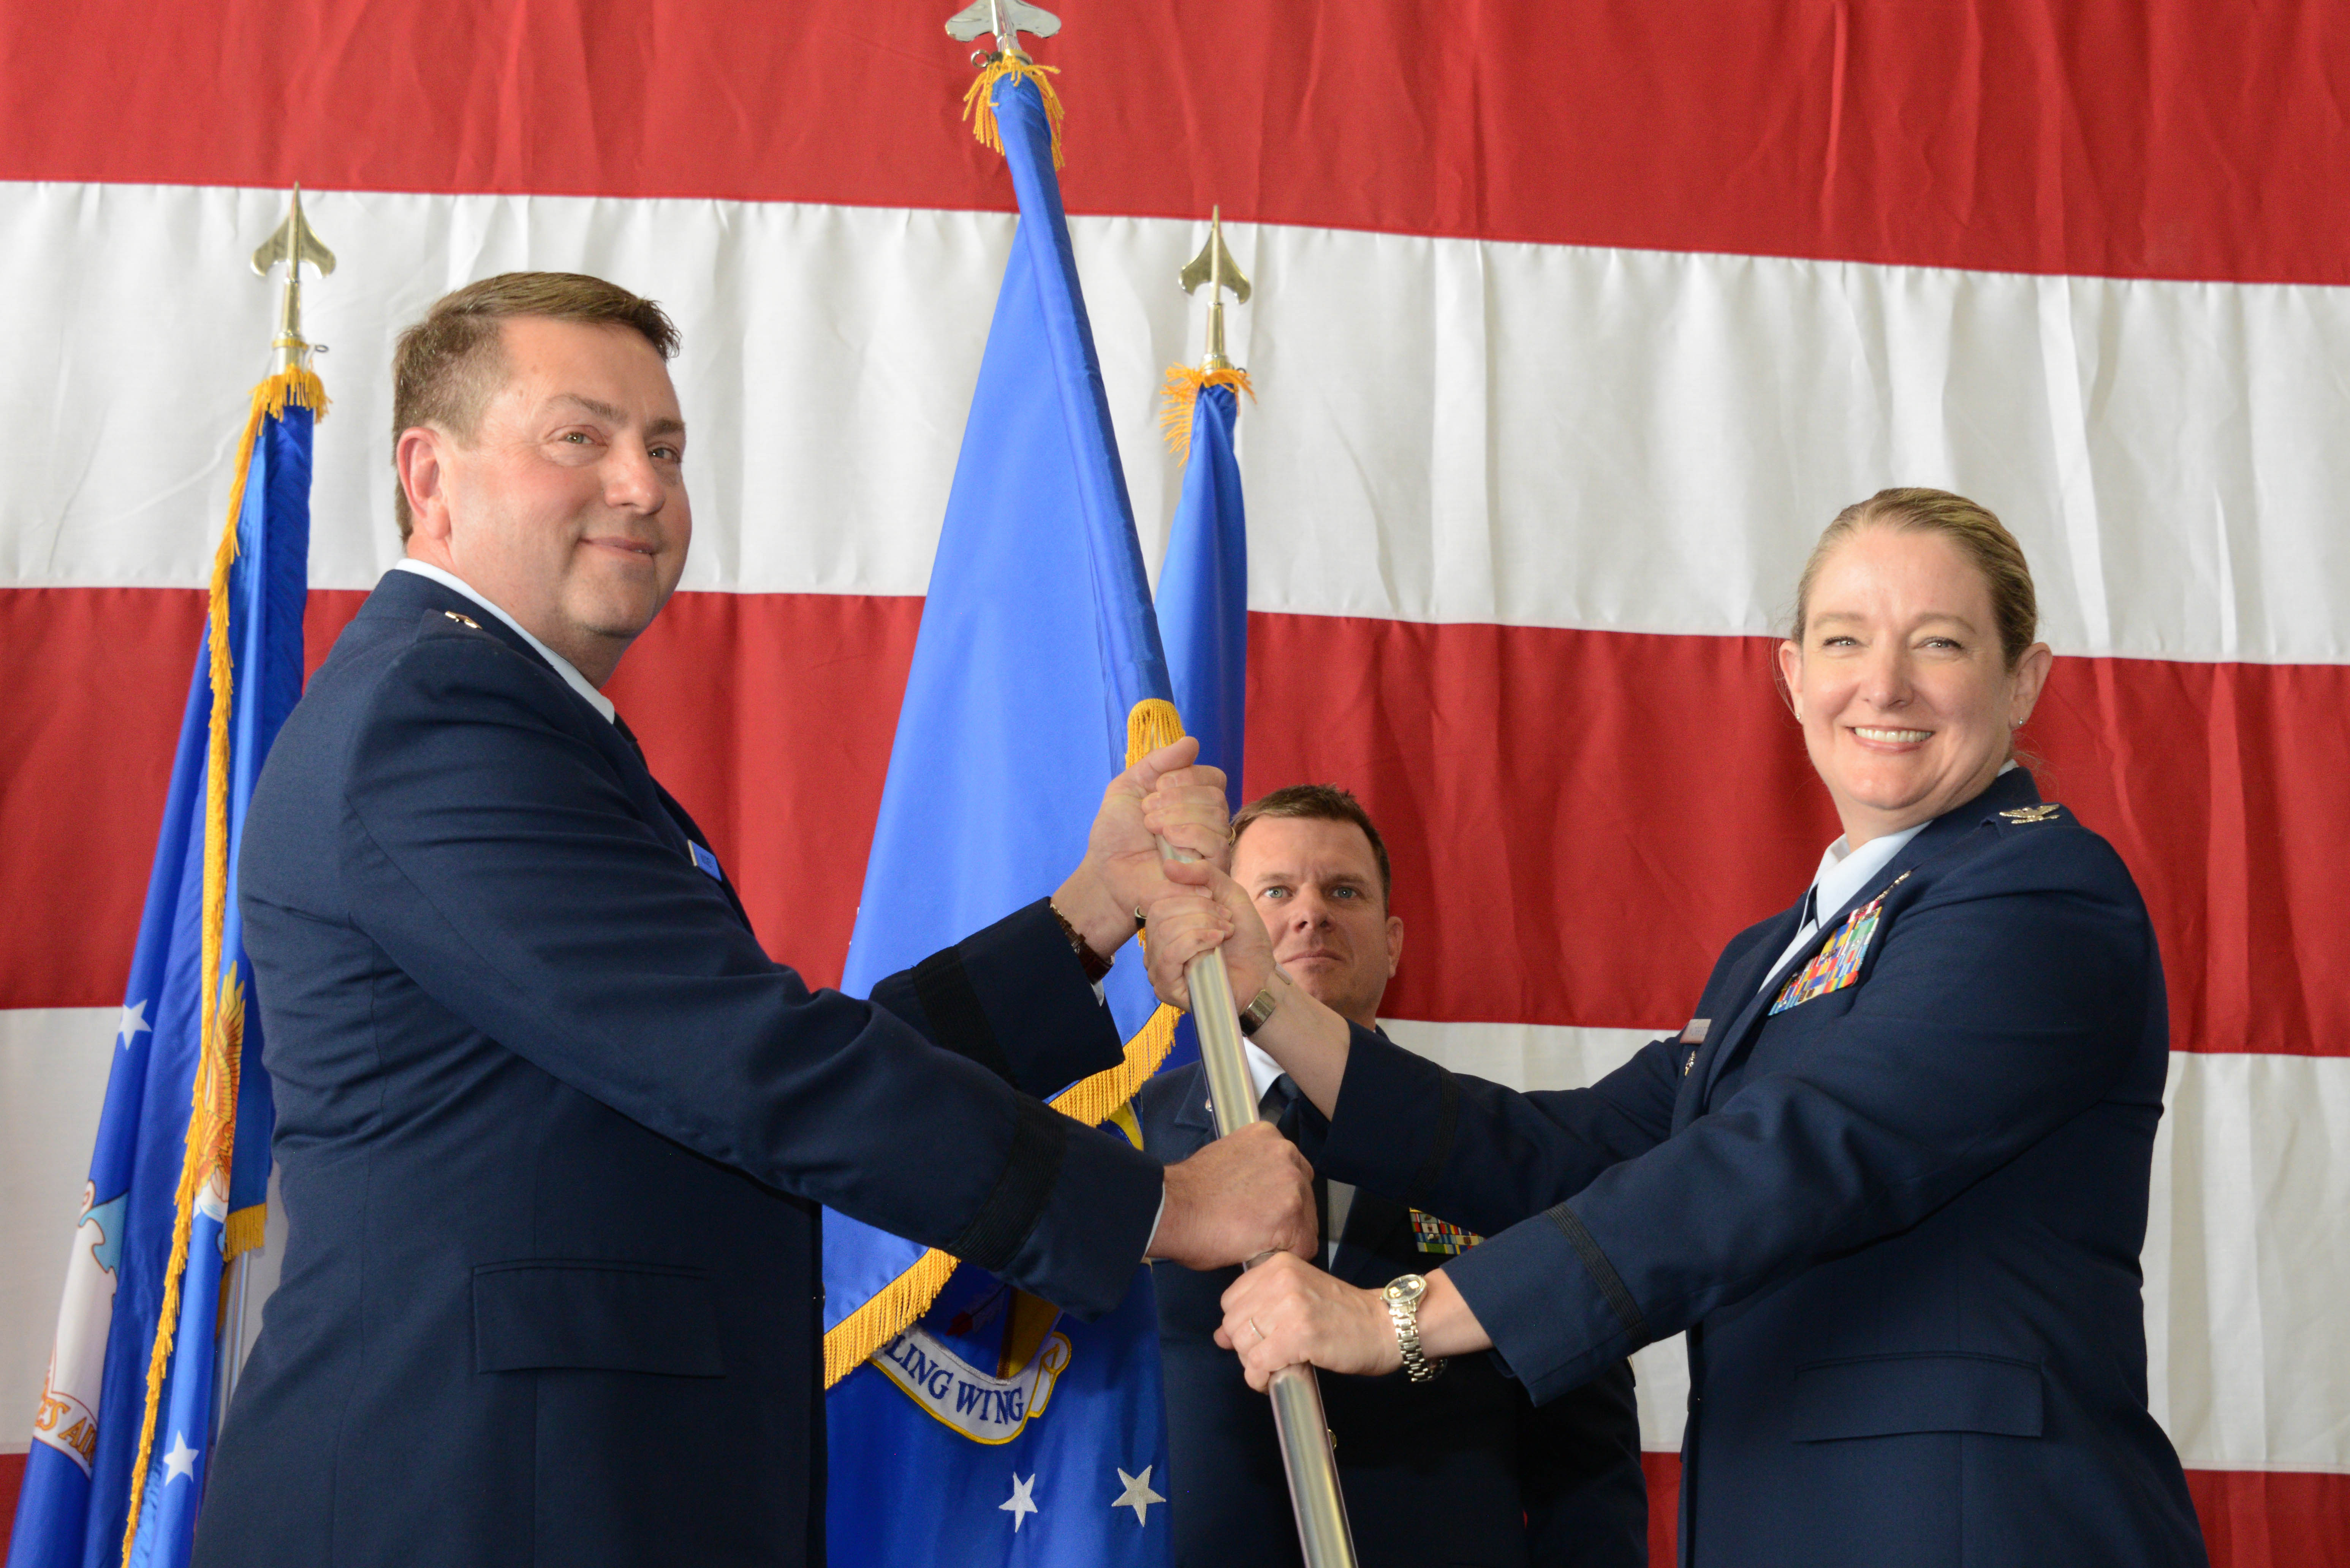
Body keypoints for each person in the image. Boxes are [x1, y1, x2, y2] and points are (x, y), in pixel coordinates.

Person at [194, 273, 1317, 1568]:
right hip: (464, 1501)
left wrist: (1083, 916)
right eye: (581, 436)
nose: (640, 484)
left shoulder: (516, 715)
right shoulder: (431, 718)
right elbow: (751, 1064)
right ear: (427, 475)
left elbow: (724, 1073)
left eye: (663, 446)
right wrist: (1158, 1203)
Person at [1146, 489, 2210, 1567]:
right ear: (1794, 676)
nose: (1881, 685)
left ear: (2020, 680)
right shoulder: (1769, 957)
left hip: (1974, 1527)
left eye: (1937, 643)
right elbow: (1569, 1155)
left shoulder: (2039, 891)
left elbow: (1786, 1162)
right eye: (1845, 639)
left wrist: (1396, 1322)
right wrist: (1267, 1003)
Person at [1135, 785, 1646, 1568]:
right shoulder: (1124, 1146)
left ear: (1395, 943)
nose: (1311, 914)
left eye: (1344, 891)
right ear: (1220, 923)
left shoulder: (1500, 1153)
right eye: (1276, 891)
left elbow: (1585, 1454)